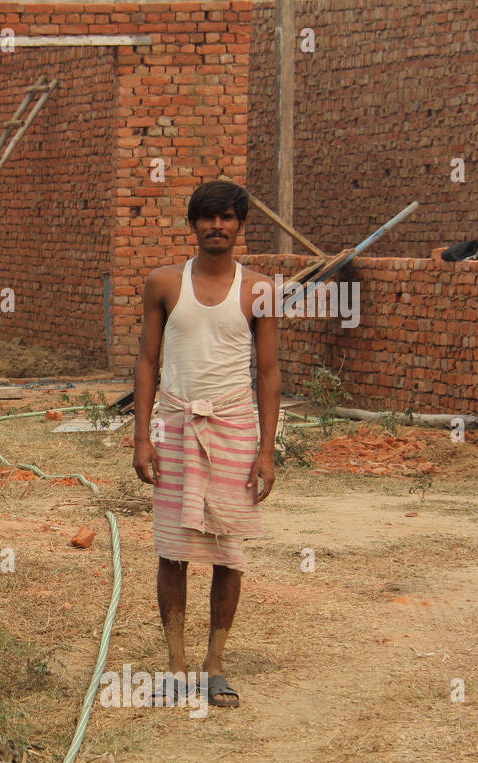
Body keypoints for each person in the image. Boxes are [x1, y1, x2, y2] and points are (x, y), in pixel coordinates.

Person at [131, 180, 279, 709]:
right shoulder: (164, 283)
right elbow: (147, 361)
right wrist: (142, 437)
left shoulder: (258, 288)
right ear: (192, 225)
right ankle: (176, 664)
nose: (217, 226)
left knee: (228, 554)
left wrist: (266, 449)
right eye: (207, 218)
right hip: (174, 425)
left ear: (241, 225)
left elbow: (267, 370)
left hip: (235, 427)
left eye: (227, 218)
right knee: (173, 552)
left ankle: (215, 665)